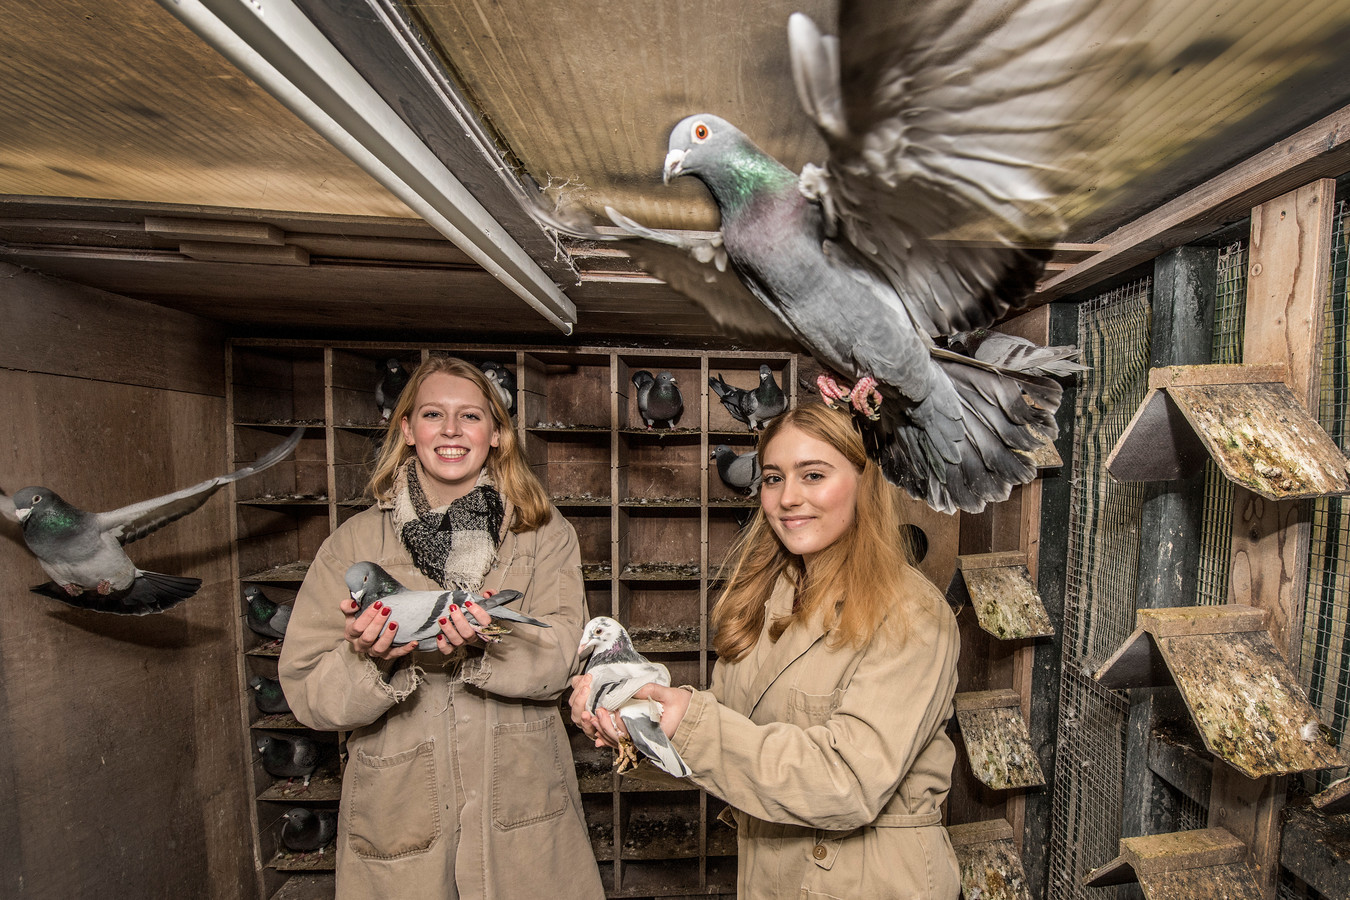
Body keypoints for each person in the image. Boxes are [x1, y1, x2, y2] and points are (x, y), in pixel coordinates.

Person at [571, 402, 961, 899]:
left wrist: (687, 723)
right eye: (774, 478)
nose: (787, 499)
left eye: (813, 474)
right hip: (769, 875)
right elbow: (733, 746)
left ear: (866, 481)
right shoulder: (765, 593)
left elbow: (849, 784)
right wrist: (636, 719)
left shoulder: (912, 615)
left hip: (870, 881)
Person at [280, 355, 604, 900]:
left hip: (520, 805)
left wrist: (484, 645)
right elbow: (308, 694)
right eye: (433, 414)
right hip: (400, 807)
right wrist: (371, 659)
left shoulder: (542, 535)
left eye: (471, 417)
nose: (451, 430)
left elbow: (563, 656)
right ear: (407, 429)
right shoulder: (356, 543)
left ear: (497, 434)